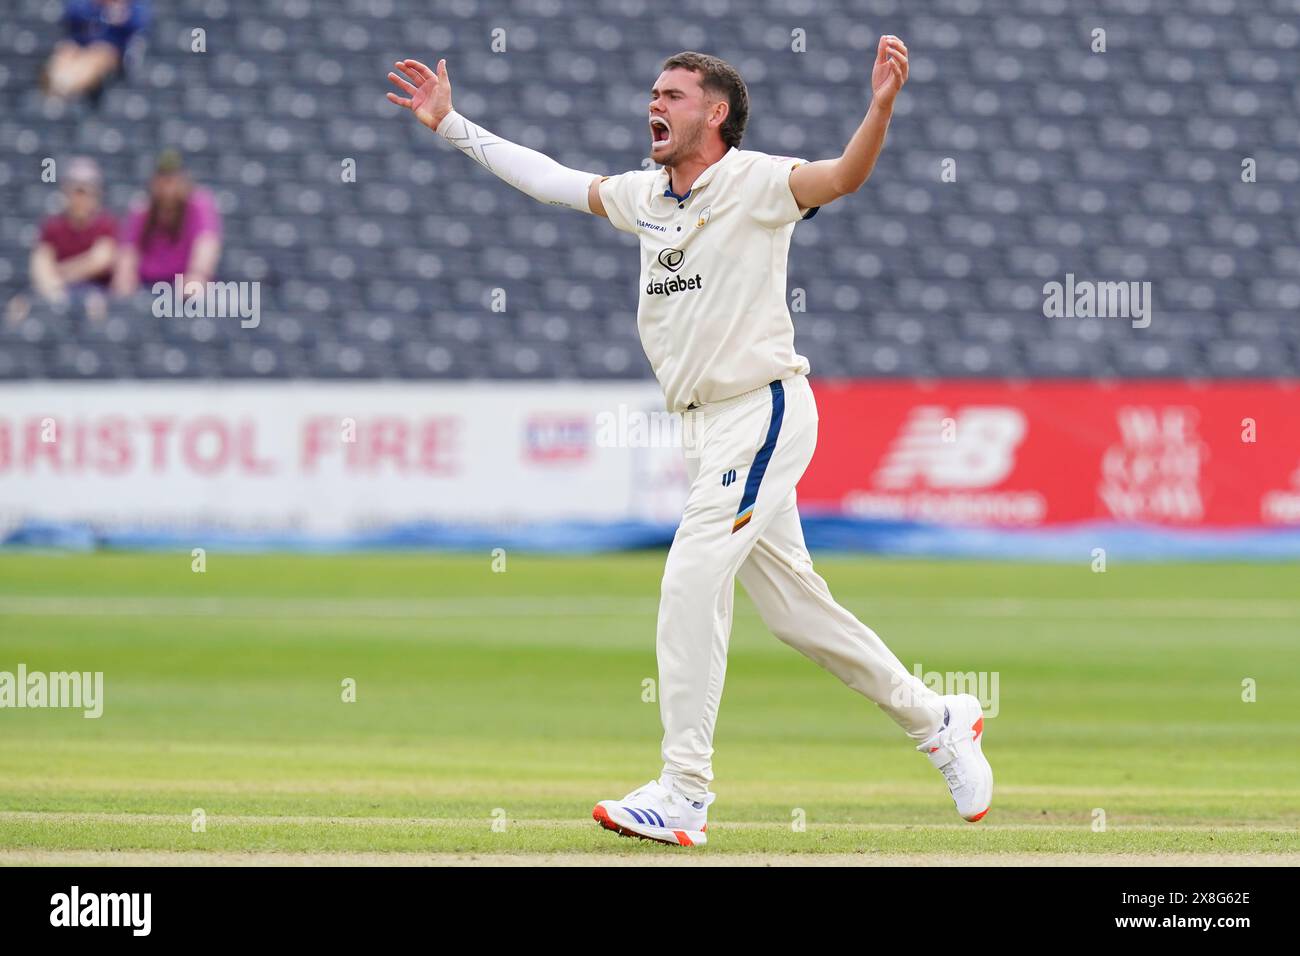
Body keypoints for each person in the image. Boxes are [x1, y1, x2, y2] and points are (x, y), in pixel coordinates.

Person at [387, 39, 993, 848]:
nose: (654, 105)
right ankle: (939, 717)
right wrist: (451, 124)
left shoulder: (757, 181)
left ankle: (685, 792)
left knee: (689, 576)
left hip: (765, 410)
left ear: (716, 113)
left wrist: (879, 106)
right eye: (653, 91)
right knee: (796, 615)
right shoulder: (647, 196)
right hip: (703, 431)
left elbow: (844, 177)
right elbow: (552, 180)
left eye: (671, 95)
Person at [112, 150, 222, 297]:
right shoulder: (143, 209)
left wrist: (197, 274)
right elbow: (128, 252)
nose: (168, 188)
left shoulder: (198, 205)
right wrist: (124, 278)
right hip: (146, 285)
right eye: (163, 180)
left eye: (172, 180)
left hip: (182, 284)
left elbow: (207, 244)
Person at [43, 0, 151, 103]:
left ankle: (66, 88)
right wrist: (99, 8)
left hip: (112, 52)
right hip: (81, 47)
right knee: (67, 49)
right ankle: (57, 85)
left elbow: (140, 25)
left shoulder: (132, 6)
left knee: (99, 52)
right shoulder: (87, 5)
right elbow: (71, 14)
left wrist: (122, 16)